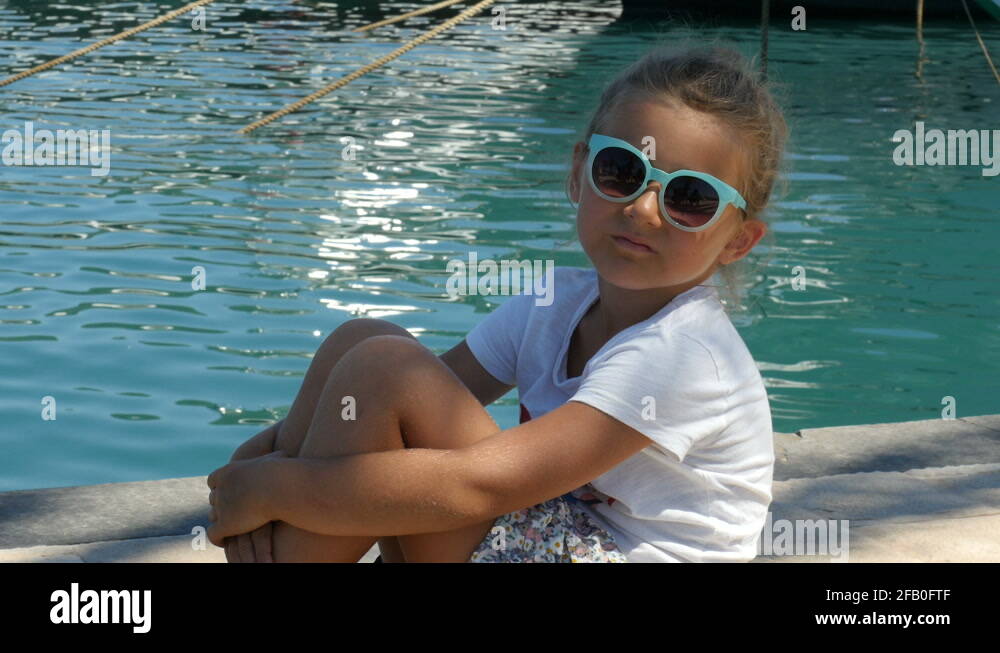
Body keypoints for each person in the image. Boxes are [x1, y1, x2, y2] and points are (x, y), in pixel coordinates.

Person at [206, 40, 789, 563]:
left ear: (738, 239)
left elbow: (475, 486)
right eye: (622, 171)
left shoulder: (683, 356)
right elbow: (420, 402)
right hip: (554, 537)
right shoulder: (553, 301)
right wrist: (265, 461)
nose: (642, 208)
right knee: (360, 343)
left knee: (383, 368)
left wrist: (274, 489)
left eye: (690, 198)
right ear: (580, 172)